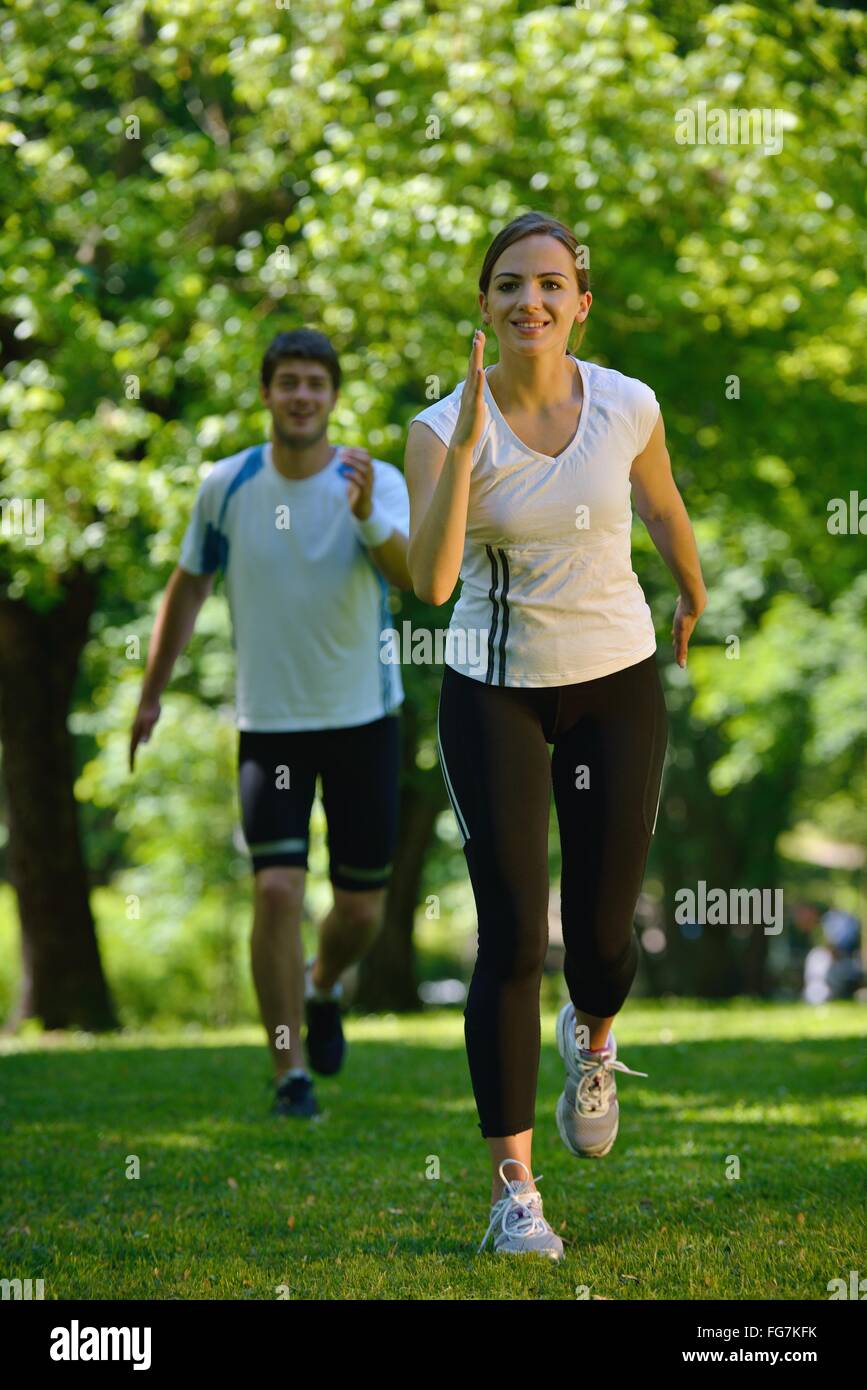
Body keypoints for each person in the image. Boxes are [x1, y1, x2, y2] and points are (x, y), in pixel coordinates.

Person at [405, 212, 707, 1259]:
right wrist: (469, 452)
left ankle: (597, 1033)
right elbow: (433, 580)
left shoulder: (628, 404)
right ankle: (514, 1196)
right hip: (495, 688)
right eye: (507, 286)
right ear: (483, 306)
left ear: (580, 302)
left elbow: (662, 506)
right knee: (515, 937)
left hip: (616, 681)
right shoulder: (439, 427)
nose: (528, 301)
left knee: (607, 934)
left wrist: (691, 586)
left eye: (549, 284)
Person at [130, 329, 412, 1117]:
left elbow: (414, 576)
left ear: (332, 396)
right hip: (271, 726)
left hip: (362, 720)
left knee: (360, 909)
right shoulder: (227, 484)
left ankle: (324, 986)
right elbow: (188, 586)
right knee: (278, 890)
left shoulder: (372, 477)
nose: (301, 396)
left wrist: (362, 515)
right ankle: (289, 1073)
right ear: (267, 393)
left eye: (316, 384)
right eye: (288, 381)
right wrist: (152, 691)